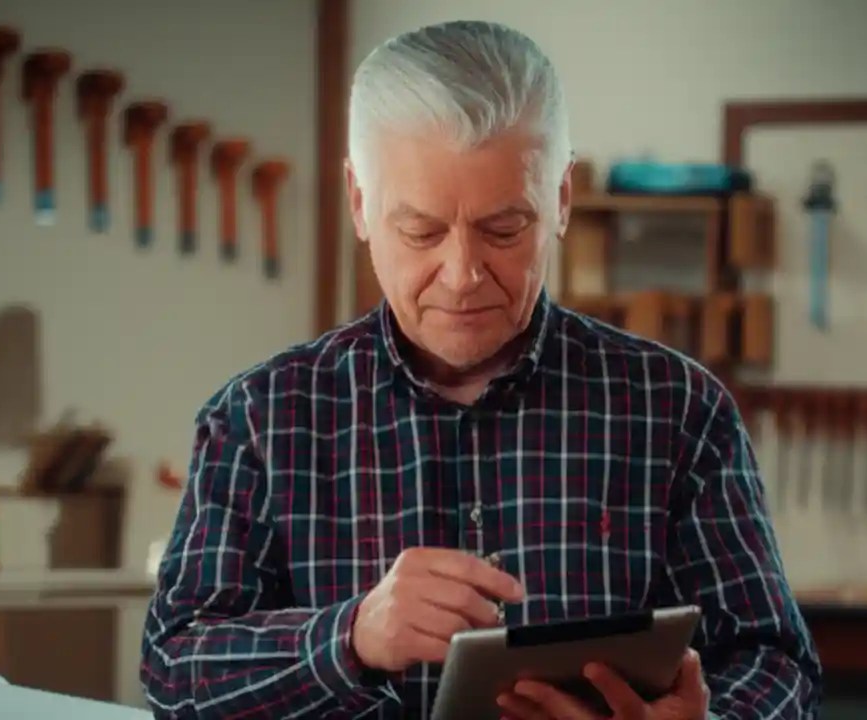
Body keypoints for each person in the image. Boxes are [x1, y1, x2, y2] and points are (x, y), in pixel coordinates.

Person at [140, 19, 821, 720]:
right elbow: (173, 672)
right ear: (359, 204)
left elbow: (778, 664)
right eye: (421, 231)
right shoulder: (259, 418)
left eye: (503, 229)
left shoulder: (677, 410)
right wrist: (349, 639)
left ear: (559, 199)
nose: (462, 276)